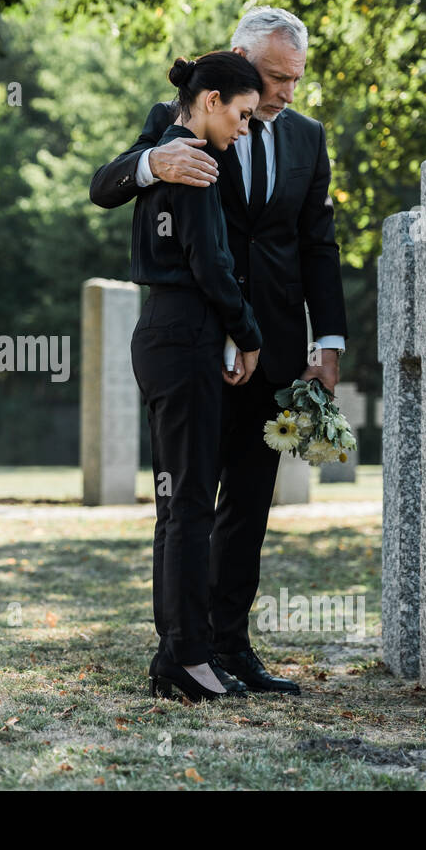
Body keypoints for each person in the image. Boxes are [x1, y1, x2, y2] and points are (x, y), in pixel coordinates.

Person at [94, 8, 348, 695]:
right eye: (274, 76)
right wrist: (150, 163)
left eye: (296, 79)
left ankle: (231, 646)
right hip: (201, 336)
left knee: (249, 503)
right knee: (187, 496)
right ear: (237, 61)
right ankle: (186, 646)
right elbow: (107, 184)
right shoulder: (179, 117)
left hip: (275, 348)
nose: (287, 92)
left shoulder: (307, 138)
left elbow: (317, 245)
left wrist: (327, 342)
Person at [129, 50, 264, 702]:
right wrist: (250, 333)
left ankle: (174, 654)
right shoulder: (192, 162)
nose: (246, 127)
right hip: (186, 336)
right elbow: (211, 263)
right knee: (189, 506)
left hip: (160, 331)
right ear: (210, 100)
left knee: (174, 504)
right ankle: (188, 656)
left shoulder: (165, 145)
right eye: (241, 115)